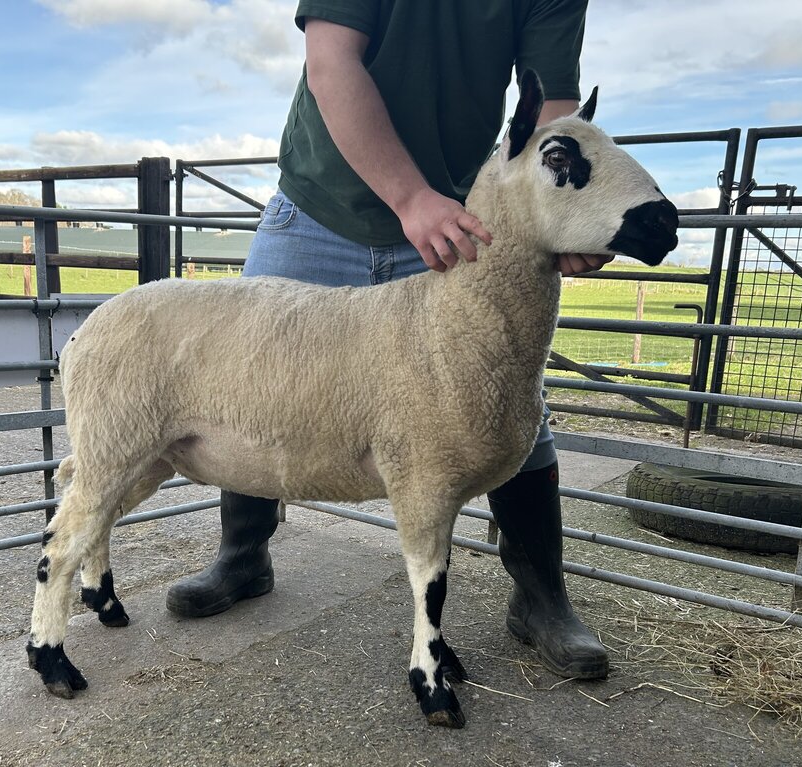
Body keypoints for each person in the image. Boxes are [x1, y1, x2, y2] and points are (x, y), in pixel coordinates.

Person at [166, 1, 609, 679]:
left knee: (499, 401)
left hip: (454, 216)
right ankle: (243, 555)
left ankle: (541, 596)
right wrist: (409, 199)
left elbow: (553, 112)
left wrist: (566, 215)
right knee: (252, 374)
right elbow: (330, 58)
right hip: (323, 206)